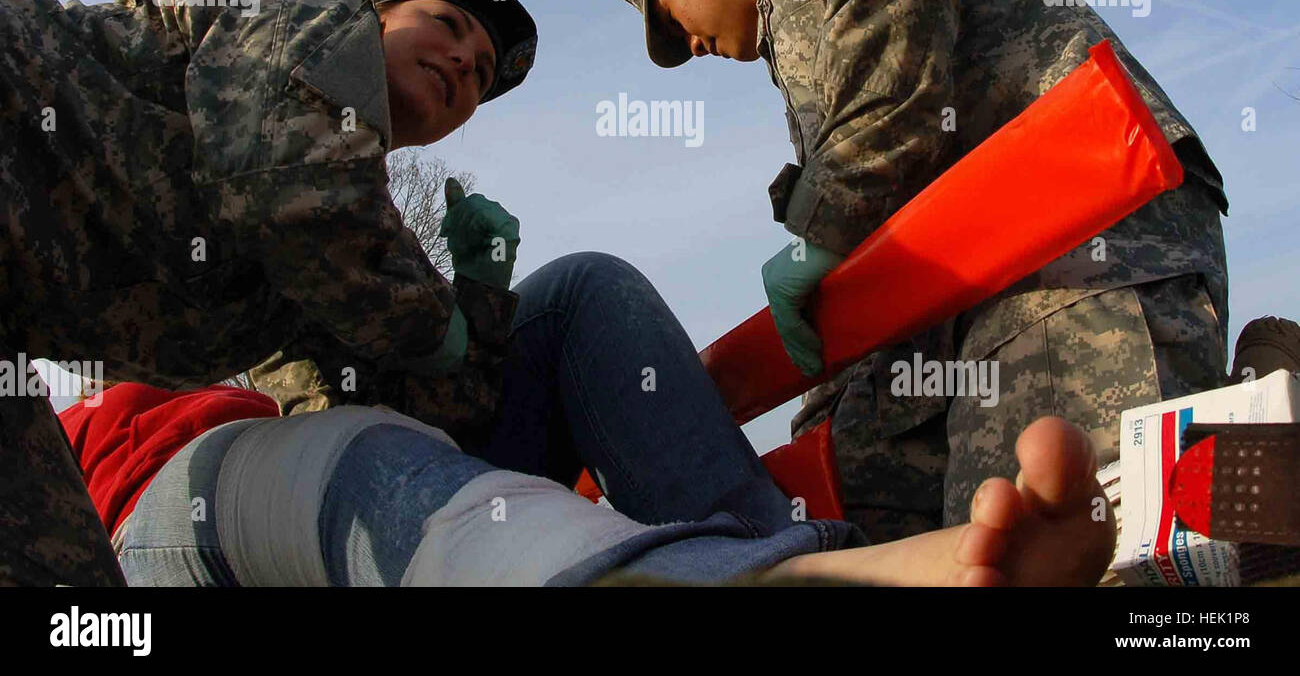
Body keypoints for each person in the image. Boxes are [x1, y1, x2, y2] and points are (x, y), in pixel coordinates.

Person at [614, 0, 1230, 541]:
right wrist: (828, 395)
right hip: (965, 301)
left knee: (1046, 545)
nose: (687, 45)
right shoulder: (801, 45)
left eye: (668, 18)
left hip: (1081, 243)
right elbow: (890, 207)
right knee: (843, 519)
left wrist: (826, 223)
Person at [0, 0, 534, 585]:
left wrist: (478, 293)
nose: (461, 59)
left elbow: (387, 423)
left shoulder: (335, 259)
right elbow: (284, 185)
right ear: (377, 13)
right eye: (446, 24)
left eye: (480, 72)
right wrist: (432, 320)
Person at [60, 276, 1116, 587]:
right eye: (457, 48)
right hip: (164, 511)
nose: (468, 77)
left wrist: (461, 301)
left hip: (368, 467)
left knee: (576, 292)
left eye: (480, 72)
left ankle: (775, 559)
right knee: (349, 461)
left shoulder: (283, 321)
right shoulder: (81, 416)